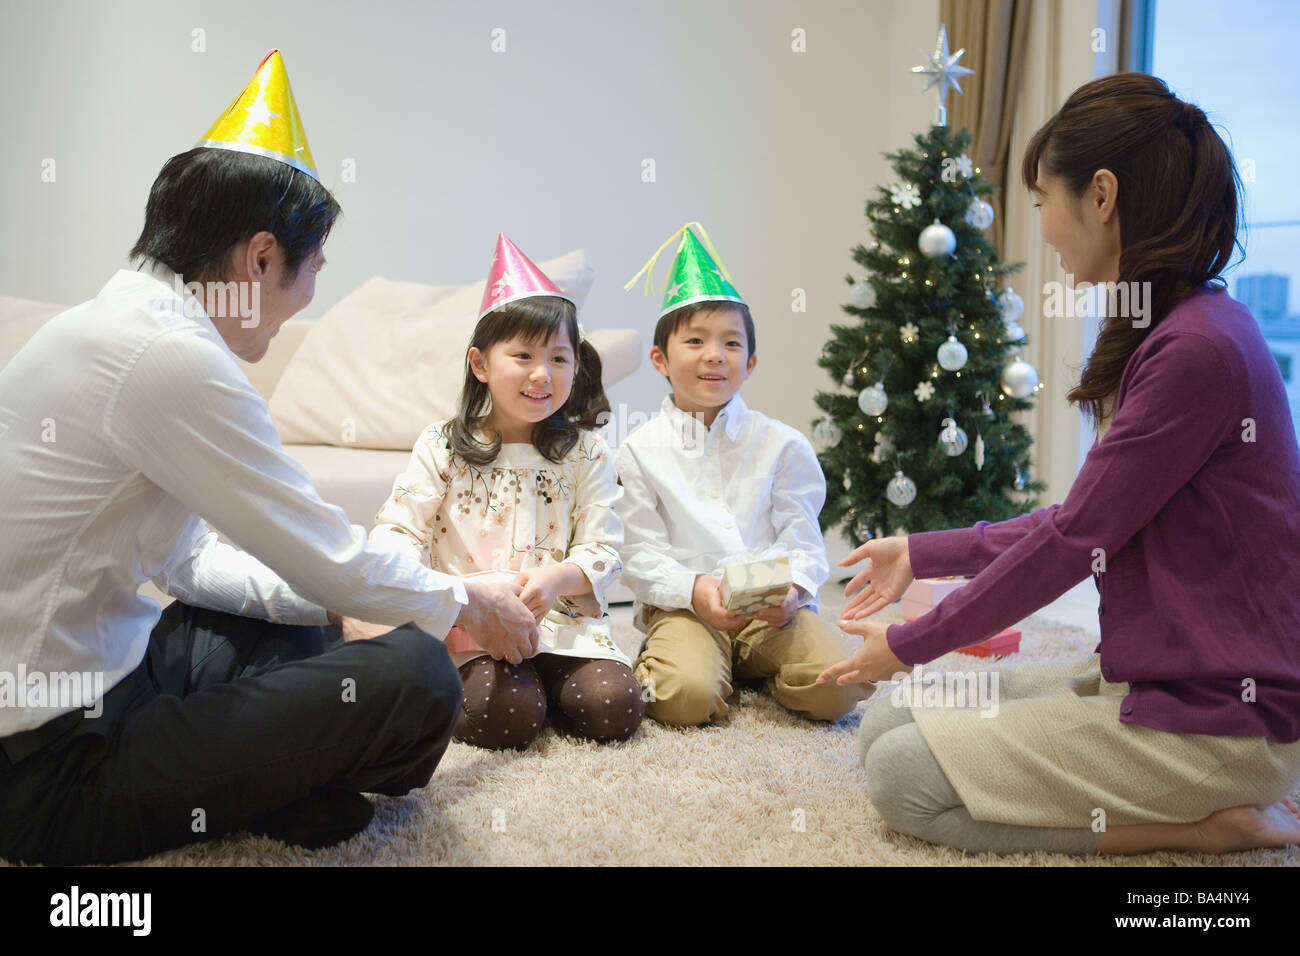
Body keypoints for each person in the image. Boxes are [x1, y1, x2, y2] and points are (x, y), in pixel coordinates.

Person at [0, 51, 538, 865]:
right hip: (49, 770)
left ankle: (273, 782)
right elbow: (329, 556)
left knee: (303, 630)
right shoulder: (165, 357)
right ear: (259, 258)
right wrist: (465, 600)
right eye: (312, 267)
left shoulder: (114, 327)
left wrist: (342, 605)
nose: (309, 294)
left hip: (105, 680)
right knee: (417, 673)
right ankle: (274, 785)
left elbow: (189, 563)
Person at [819, 73, 1300, 856]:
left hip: (1217, 723)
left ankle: (1209, 827)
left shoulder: (1197, 350)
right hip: (1156, 675)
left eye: (1043, 199)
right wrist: (921, 551)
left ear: (1102, 195)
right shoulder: (1186, 327)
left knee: (903, 778)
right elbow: (1084, 523)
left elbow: (1076, 542)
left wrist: (912, 643)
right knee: (890, 722)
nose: (1040, 227)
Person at [350, 234, 643, 750]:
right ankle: (526, 693)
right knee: (503, 715)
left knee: (615, 708)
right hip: (475, 631)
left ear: (576, 367)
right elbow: (397, 528)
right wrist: (426, 593)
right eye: (523, 354)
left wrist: (558, 578)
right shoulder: (441, 445)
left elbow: (605, 548)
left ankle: (549, 682)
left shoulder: (588, 454)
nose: (541, 373)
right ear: (481, 365)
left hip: (563, 625)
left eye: (558, 358)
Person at [617, 223, 869, 727]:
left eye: (731, 344)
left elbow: (803, 539)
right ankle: (698, 659)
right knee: (682, 698)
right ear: (660, 360)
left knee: (841, 686)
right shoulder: (638, 452)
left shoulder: (783, 445)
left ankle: (755, 665)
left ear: (750, 363)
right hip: (686, 607)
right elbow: (638, 553)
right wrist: (693, 592)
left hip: (774, 612)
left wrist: (795, 590)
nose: (715, 354)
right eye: (696, 341)